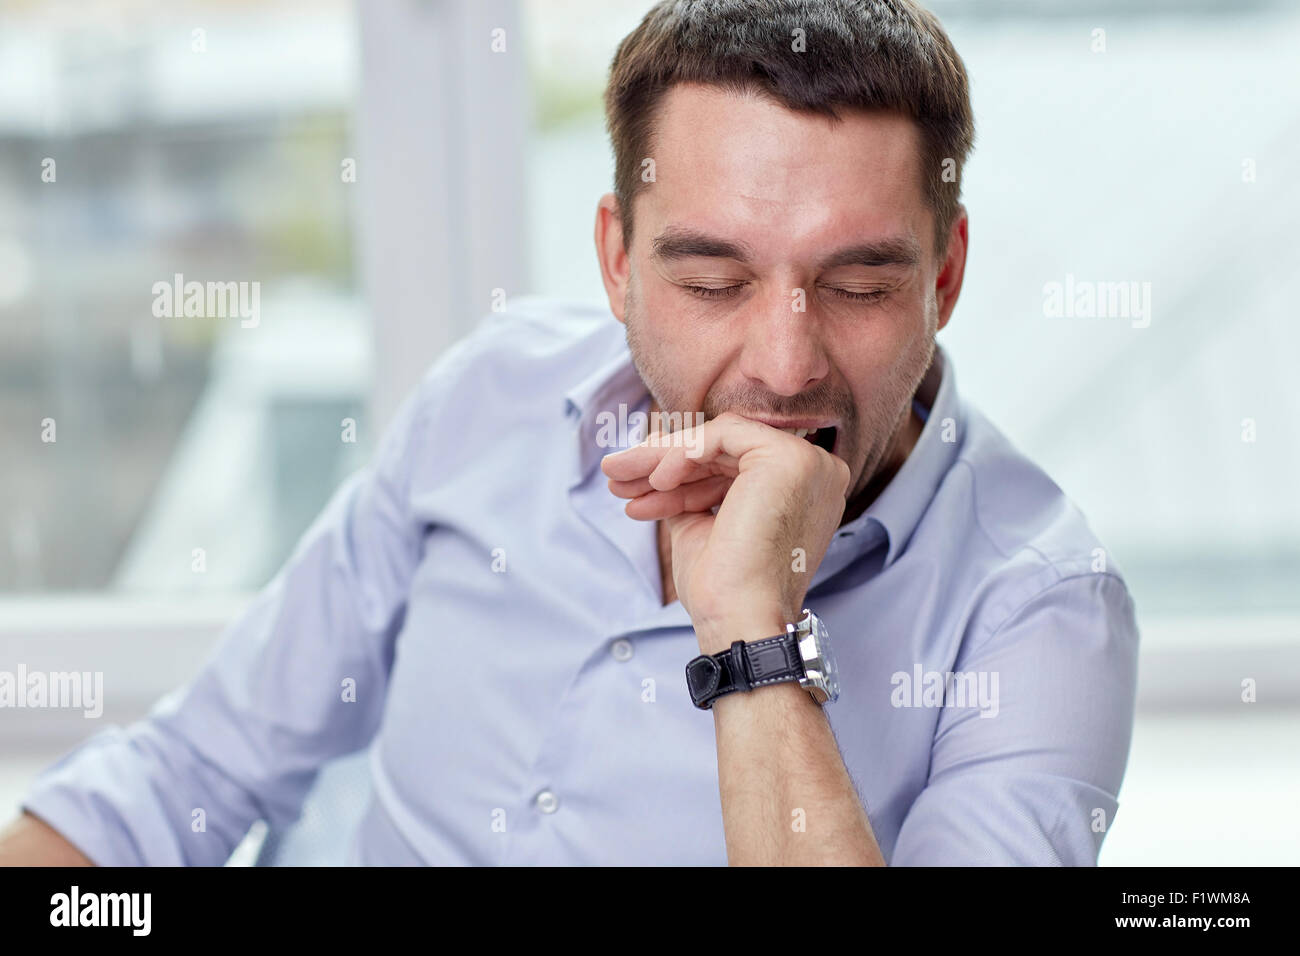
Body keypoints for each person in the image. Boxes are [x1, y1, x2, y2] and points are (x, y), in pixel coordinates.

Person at [0, 0, 1137, 867]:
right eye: (713, 279)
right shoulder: (487, 400)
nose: (785, 366)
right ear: (615, 260)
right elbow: (184, 775)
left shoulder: (1041, 612)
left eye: (856, 282)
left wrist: (752, 627)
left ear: (943, 272)